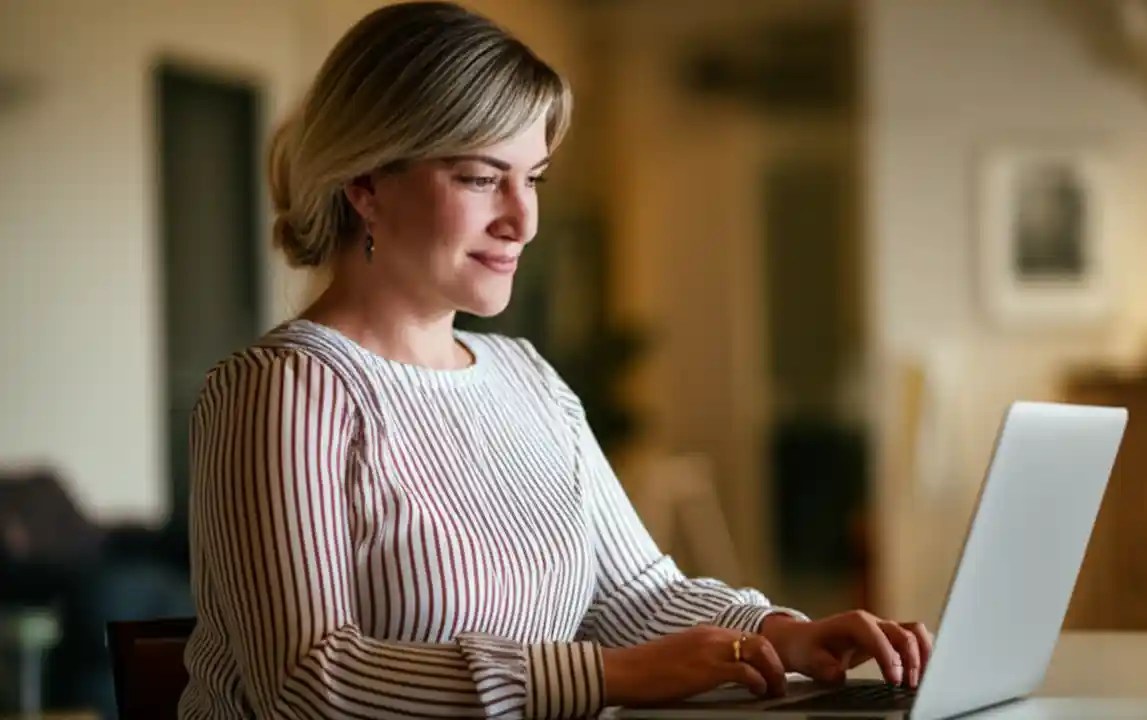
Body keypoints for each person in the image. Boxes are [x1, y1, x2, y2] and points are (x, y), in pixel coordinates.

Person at [177, 3, 932, 718]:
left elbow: (636, 594)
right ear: (367, 184)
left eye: (532, 177)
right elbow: (311, 683)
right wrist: (609, 676)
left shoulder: (526, 378)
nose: (522, 219)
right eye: (480, 178)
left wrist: (779, 634)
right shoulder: (280, 388)